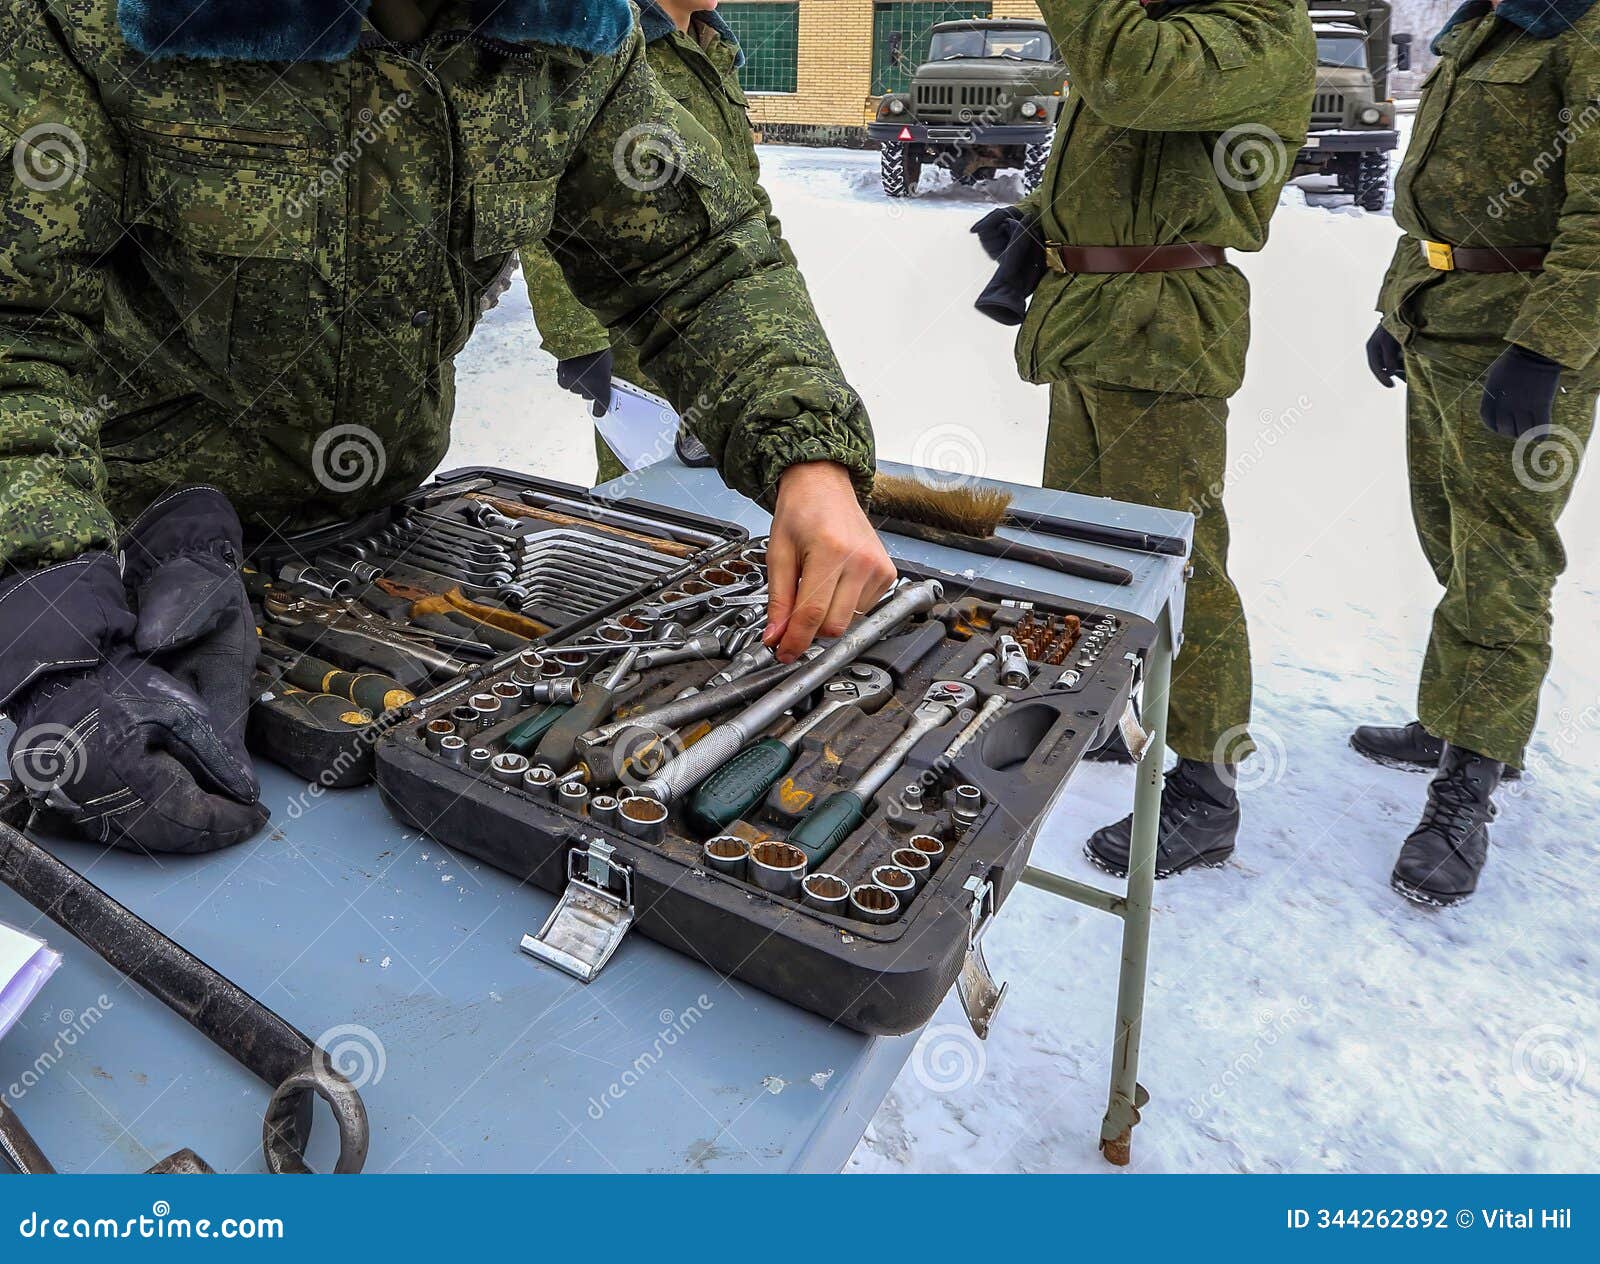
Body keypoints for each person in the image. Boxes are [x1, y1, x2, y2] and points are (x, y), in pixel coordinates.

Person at [0, 0, 894, 855]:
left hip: (375, 550)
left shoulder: (566, 38)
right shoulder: (103, 20)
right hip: (99, 569)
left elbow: (696, 262)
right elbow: (17, 324)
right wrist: (55, 633)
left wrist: (807, 455)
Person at [973, 0, 1313, 879]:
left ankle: (1205, 786)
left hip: (1163, 331)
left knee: (1180, 561)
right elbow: (1119, 156)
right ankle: (1114, 714)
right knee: (1085, 549)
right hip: (1092, 320)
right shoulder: (1154, 19)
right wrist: (1039, 220)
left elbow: (1132, 76)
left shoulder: (1257, 24)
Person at [1361, 0, 1599, 905]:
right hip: (1442, 322)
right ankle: (1458, 718)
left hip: (1519, 338)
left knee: (1503, 560)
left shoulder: (1584, 30)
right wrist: (1396, 309)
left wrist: (1547, 348)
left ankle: (1470, 781)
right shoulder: (1490, 24)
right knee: (1450, 536)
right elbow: (1429, 193)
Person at [524, 0, 798, 483]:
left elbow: (746, 192)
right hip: (639, 322)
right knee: (644, 487)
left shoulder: (713, 47)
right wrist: (578, 339)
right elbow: (547, 199)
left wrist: (784, 289)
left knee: (731, 488)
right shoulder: (605, 38)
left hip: (730, 309)